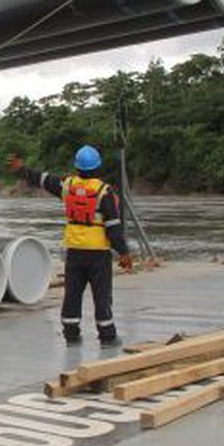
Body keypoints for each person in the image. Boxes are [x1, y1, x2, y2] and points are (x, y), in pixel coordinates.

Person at [9, 145, 132, 348]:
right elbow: (113, 227)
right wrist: (124, 253)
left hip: (74, 251)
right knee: (102, 296)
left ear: (77, 167)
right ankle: (107, 337)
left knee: (72, 294)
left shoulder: (67, 186)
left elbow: (43, 180)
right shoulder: (104, 192)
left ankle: (71, 335)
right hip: (98, 254)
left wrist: (21, 169)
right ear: (98, 167)